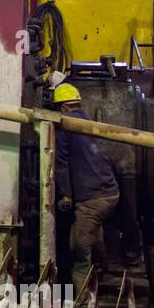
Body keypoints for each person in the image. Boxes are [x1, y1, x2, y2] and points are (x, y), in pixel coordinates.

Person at [51, 83, 120, 293]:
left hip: (92, 198)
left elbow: (61, 162)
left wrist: (66, 195)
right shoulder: (88, 122)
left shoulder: (65, 127)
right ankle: (102, 269)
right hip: (110, 193)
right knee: (91, 230)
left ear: (62, 107)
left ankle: (81, 305)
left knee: (79, 251)